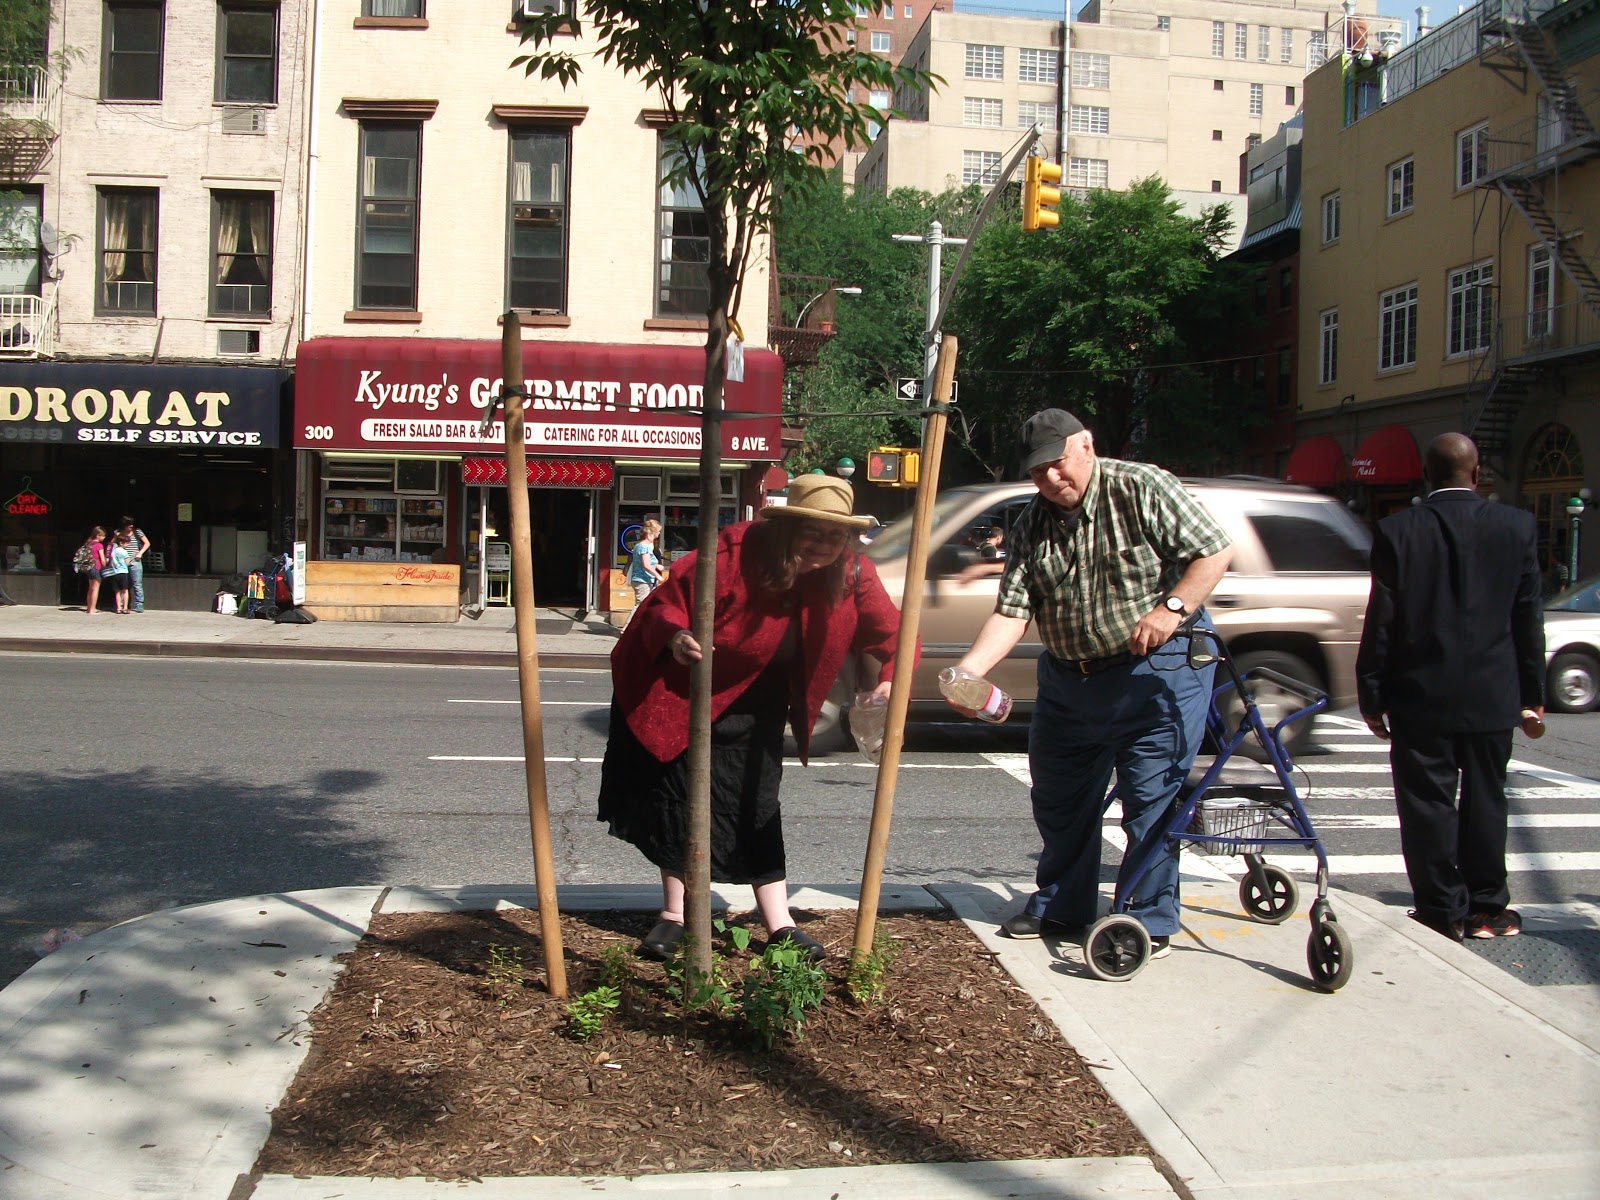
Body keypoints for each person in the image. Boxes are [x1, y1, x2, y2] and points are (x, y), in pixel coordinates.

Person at [947, 409, 1233, 957]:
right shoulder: (1031, 524)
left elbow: (1214, 549)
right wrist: (970, 672)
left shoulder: (1141, 487)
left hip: (1158, 671)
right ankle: (1063, 904)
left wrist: (1172, 608)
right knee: (1059, 797)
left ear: (1085, 445)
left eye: (1057, 464)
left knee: (1150, 799)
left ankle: (1145, 918)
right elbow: (1013, 610)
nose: (1050, 479)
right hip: (1069, 682)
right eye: (1037, 472)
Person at [599, 474, 913, 963]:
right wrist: (676, 636)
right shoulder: (732, 552)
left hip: (760, 697)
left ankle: (780, 924)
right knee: (677, 801)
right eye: (814, 532)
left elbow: (896, 635)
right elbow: (664, 606)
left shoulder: (852, 573)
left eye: (837, 535)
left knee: (757, 804)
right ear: (787, 529)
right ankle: (675, 916)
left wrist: (891, 679)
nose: (825, 544)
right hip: (680, 688)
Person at [1356, 432, 1545, 943]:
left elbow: (1382, 620)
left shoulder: (1397, 531)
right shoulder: (1518, 527)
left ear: (1426, 475)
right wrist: (1532, 693)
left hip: (1420, 691)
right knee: (1488, 799)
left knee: (1426, 803)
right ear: (1477, 473)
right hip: (1493, 690)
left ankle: (1442, 909)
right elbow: (1528, 617)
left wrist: (1372, 694)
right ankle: (1488, 907)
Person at [622, 518, 666, 627]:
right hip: (643, 581)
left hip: (643, 580)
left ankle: (644, 627)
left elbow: (644, 562)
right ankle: (627, 627)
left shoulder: (639, 545)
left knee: (648, 605)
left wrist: (657, 566)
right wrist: (658, 576)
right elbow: (646, 565)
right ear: (652, 532)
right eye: (658, 531)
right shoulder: (645, 547)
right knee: (640, 605)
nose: (659, 534)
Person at [118, 516, 151, 613]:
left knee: (137, 583)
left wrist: (140, 553)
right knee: (123, 584)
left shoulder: (137, 532)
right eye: (129, 524)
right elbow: (112, 544)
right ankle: (122, 604)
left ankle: (139, 604)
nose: (131, 526)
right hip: (122, 561)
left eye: (132, 524)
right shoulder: (118, 532)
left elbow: (147, 543)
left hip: (134, 560)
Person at [101, 531, 133, 614]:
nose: (127, 545)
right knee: (125, 590)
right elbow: (127, 562)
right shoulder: (124, 551)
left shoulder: (114, 551)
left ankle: (118, 608)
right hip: (123, 572)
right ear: (121, 543)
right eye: (127, 543)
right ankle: (125, 607)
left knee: (117, 591)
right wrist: (129, 560)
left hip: (115, 572)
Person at [80, 526, 108, 614]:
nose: (104, 537)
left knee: (90, 588)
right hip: (96, 567)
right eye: (103, 536)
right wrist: (105, 564)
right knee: (95, 589)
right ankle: (93, 609)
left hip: (89, 567)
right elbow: (103, 560)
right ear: (98, 535)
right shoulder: (99, 545)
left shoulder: (88, 543)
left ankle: (89, 608)